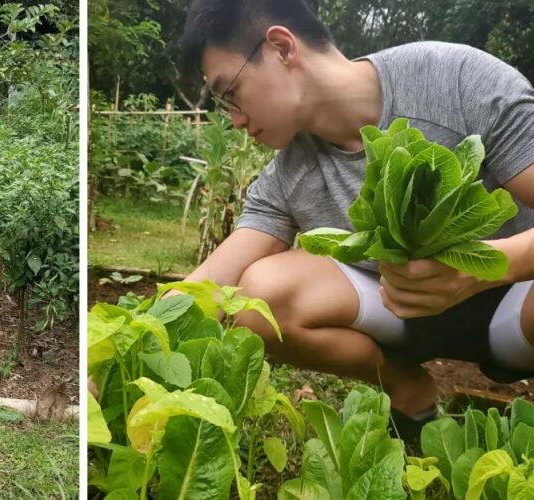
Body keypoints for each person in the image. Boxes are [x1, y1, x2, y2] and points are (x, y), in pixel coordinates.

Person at [177, 0, 534, 441]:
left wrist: (483, 266)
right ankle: (407, 389)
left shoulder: (457, 81)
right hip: (400, 317)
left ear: (282, 48)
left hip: (515, 313)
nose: (234, 119)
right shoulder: (290, 171)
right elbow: (213, 279)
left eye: (230, 91)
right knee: (258, 297)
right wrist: (125, 342)